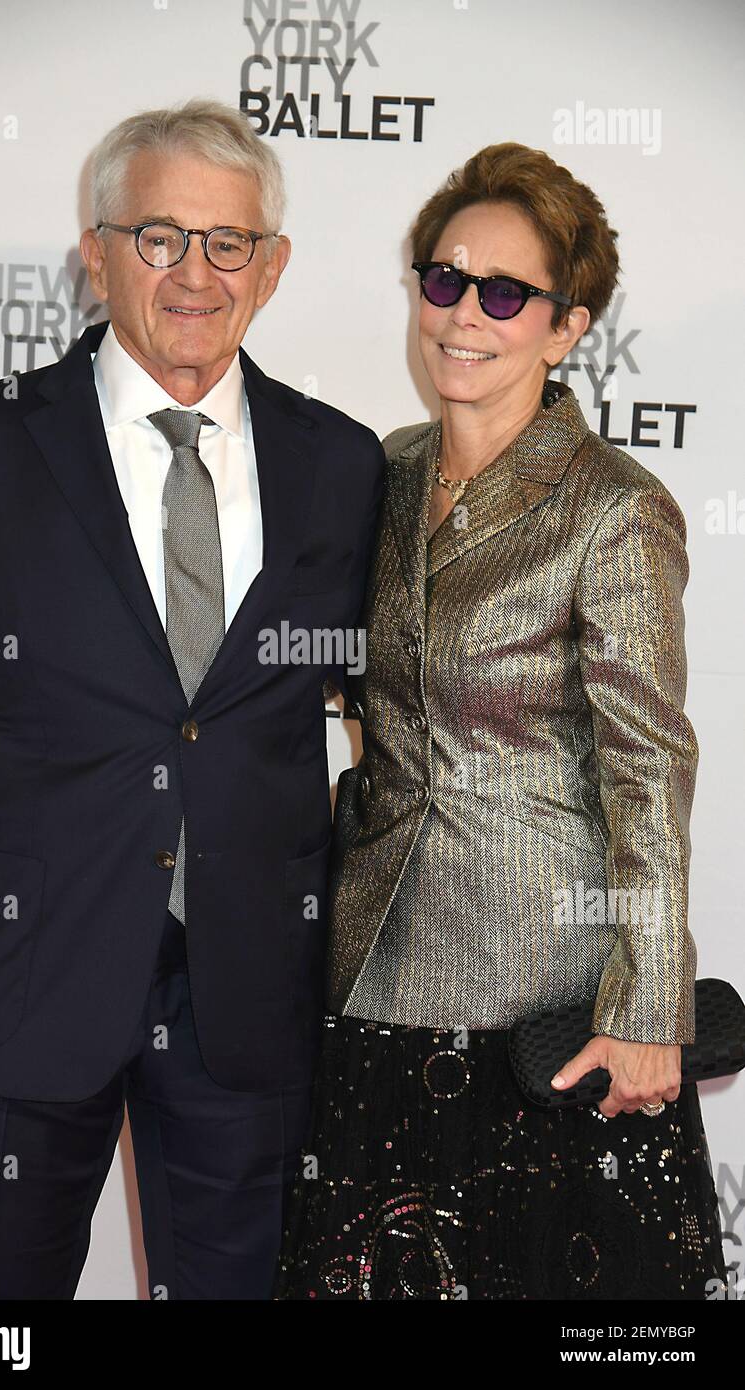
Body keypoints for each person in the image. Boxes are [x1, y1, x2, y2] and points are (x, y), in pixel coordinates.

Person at [0, 99, 383, 1300]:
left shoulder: (341, 462)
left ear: (271, 266)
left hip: (248, 994)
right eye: (158, 236)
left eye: (227, 242)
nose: (194, 274)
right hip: (20, 976)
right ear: (97, 253)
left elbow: (384, 714)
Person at [275, 142, 726, 1301]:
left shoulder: (612, 510)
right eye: (444, 278)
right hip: (374, 983)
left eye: (504, 292)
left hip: (543, 1009)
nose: (462, 312)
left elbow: (647, 771)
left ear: (565, 326)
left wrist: (646, 1006)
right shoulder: (380, 475)